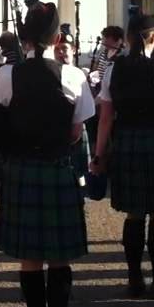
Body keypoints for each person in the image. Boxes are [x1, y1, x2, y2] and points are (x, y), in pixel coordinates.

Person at [0, 0, 94, 307]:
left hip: (22, 170)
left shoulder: (5, 76)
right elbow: (77, 132)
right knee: (60, 258)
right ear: (56, 35)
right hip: (57, 167)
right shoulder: (73, 75)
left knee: (30, 258)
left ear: (26, 37)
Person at [93, 12, 154, 299]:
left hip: (126, 143)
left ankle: (134, 280)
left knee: (134, 213)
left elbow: (105, 119)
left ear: (127, 39)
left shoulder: (113, 70)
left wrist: (98, 156)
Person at [53, 26, 91, 187]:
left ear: (73, 49)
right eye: (57, 49)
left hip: (76, 130)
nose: (61, 52)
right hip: (56, 132)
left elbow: (86, 111)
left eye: (64, 48)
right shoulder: (50, 73)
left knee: (79, 178)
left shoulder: (78, 74)